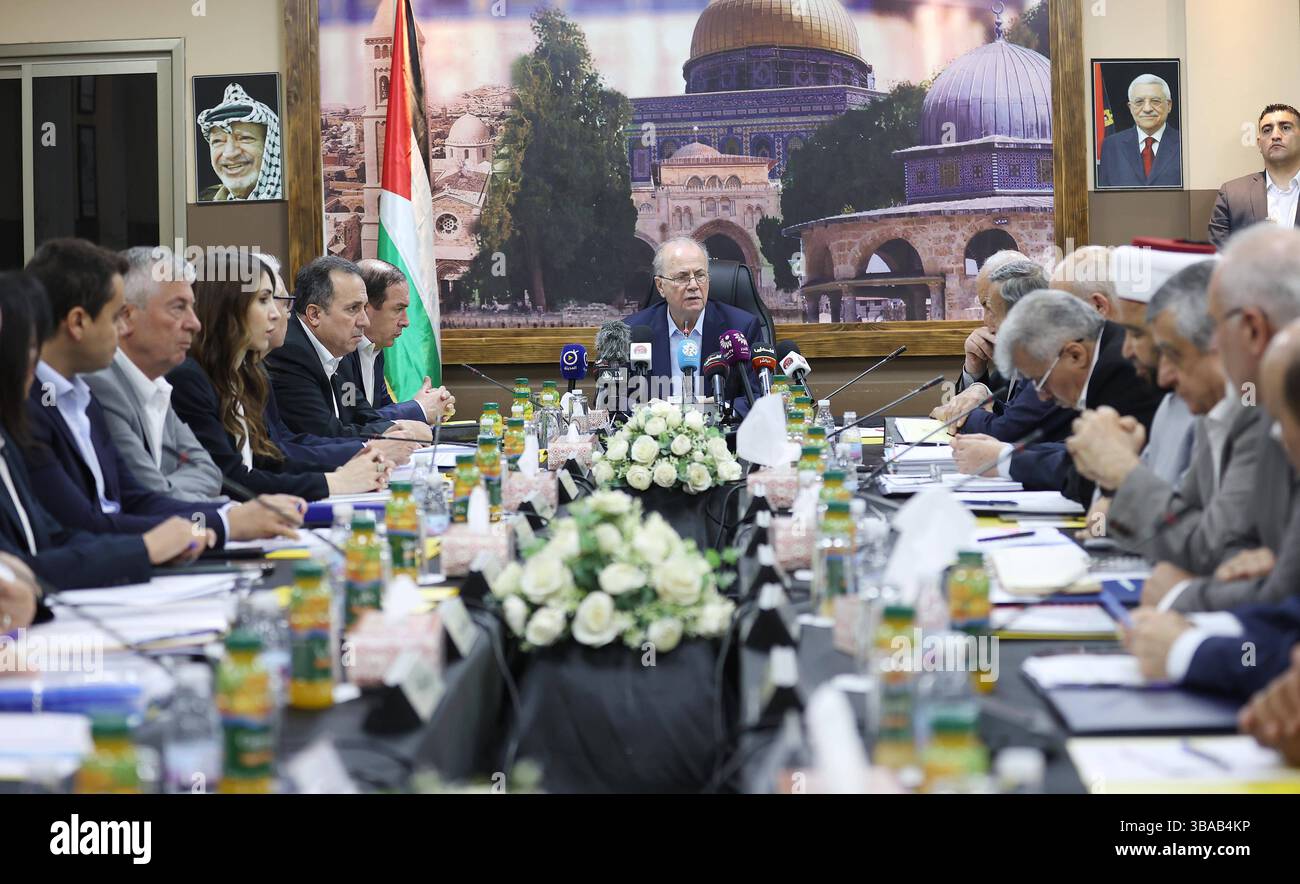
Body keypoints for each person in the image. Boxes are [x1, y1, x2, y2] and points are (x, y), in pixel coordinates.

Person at [21, 239, 303, 545]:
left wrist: (222, 518)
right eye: (115, 314)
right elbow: (94, 518)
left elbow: (202, 474)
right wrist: (223, 523)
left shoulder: (86, 395)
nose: (193, 324)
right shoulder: (88, 390)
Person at [1123, 226, 1300, 617]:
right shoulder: (1246, 404)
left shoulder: (1266, 411)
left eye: (1217, 326)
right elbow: (1204, 532)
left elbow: (1282, 596)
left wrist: (1179, 598)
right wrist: (1245, 567)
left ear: (1252, 329)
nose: (1214, 345)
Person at [1125, 318, 1300, 698]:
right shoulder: (1212, 412)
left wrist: (1186, 647)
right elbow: (1286, 611)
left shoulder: (1246, 413)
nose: (1278, 435)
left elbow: (1209, 543)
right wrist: (1238, 574)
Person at [0, 271, 203, 589]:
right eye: (25, 349)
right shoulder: (38, 410)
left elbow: (52, 535)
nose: (33, 365)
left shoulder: (81, 398)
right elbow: (48, 547)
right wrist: (146, 548)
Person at [1068, 262, 1261, 589]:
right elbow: (1174, 523)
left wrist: (1122, 475)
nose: (1164, 376)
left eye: (1173, 354)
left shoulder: (1259, 418)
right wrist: (1117, 488)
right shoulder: (1199, 408)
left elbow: (1209, 549)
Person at [169, 251, 391, 501]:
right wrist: (335, 481)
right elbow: (229, 479)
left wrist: (355, 461)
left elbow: (271, 455)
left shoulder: (249, 373)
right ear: (227, 307)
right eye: (264, 300)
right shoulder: (189, 379)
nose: (277, 313)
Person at [954, 289, 1164, 502]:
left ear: (1075, 355)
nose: (1042, 397)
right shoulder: (1102, 356)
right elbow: (1073, 448)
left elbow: (1092, 474)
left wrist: (1003, 460)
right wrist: (1006, 452)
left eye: (1039, 382)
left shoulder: (1119, 368)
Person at [82, 246, 223, 500]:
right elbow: (146, 493)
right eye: (178, 307)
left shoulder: (155, 382)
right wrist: (225, 514)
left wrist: (166, 487)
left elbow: (210, 472)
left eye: (192, 307)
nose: (195, 323)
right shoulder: (101, 384)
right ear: (125, 317)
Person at [267, 256, 431, 441]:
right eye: (353, 309)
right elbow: (324, 434)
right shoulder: (290, 354)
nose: (364, 321)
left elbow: (358, 412)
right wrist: (394, 434)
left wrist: (399, 428)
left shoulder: (339, 354)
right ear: (314, 314)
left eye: (363, 308)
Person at [932, 260, 1070, 442]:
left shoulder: (1053, 357)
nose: (986, 322)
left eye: (991, 309)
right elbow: (1012, 413)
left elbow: (1005, 431)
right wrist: (978, 384)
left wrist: (953, 415)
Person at [622, 237, 763, 413]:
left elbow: (758, 396)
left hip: (721, 435)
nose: (694, 285)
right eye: (682, 277)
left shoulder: (741, 329)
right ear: (660, 286)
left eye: (700, 275)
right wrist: (647, 412)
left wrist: (719, 408)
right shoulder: (631, 333)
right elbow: (614, 400)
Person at [347, 258, 455, 424]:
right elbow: (355, 421)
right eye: (398, 309)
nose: (406, 322)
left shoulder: (374, 349)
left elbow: (380, 412)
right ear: (365, 307)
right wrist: (419, 408)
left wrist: (427, 408)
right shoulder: (340, 353)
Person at [1208, 104, 1300, 247]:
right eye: (1267, 130)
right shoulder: (1231, 194)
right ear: (1259, 143)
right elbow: (1219, 258)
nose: (1275, 136)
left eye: (1285, 128)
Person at [953, 249, 1028, 399]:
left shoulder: (1051, 363)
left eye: (990, 307)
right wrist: (975, 370)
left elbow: (1011, 421)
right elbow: (967, 415)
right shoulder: (1007, 367)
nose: (985, 321)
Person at [196, 82, 281, 201]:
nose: (230, 153)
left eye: (244, 138)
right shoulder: (205, 200)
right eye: (218, 141)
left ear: (271, 147)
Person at [1096, 73, 1183, 188]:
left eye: (1155, 101)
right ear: (1130, 107)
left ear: (1169, 105)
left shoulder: (1185, 144)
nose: (1147, 109)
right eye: (1139, 102)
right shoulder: (1111, 145)